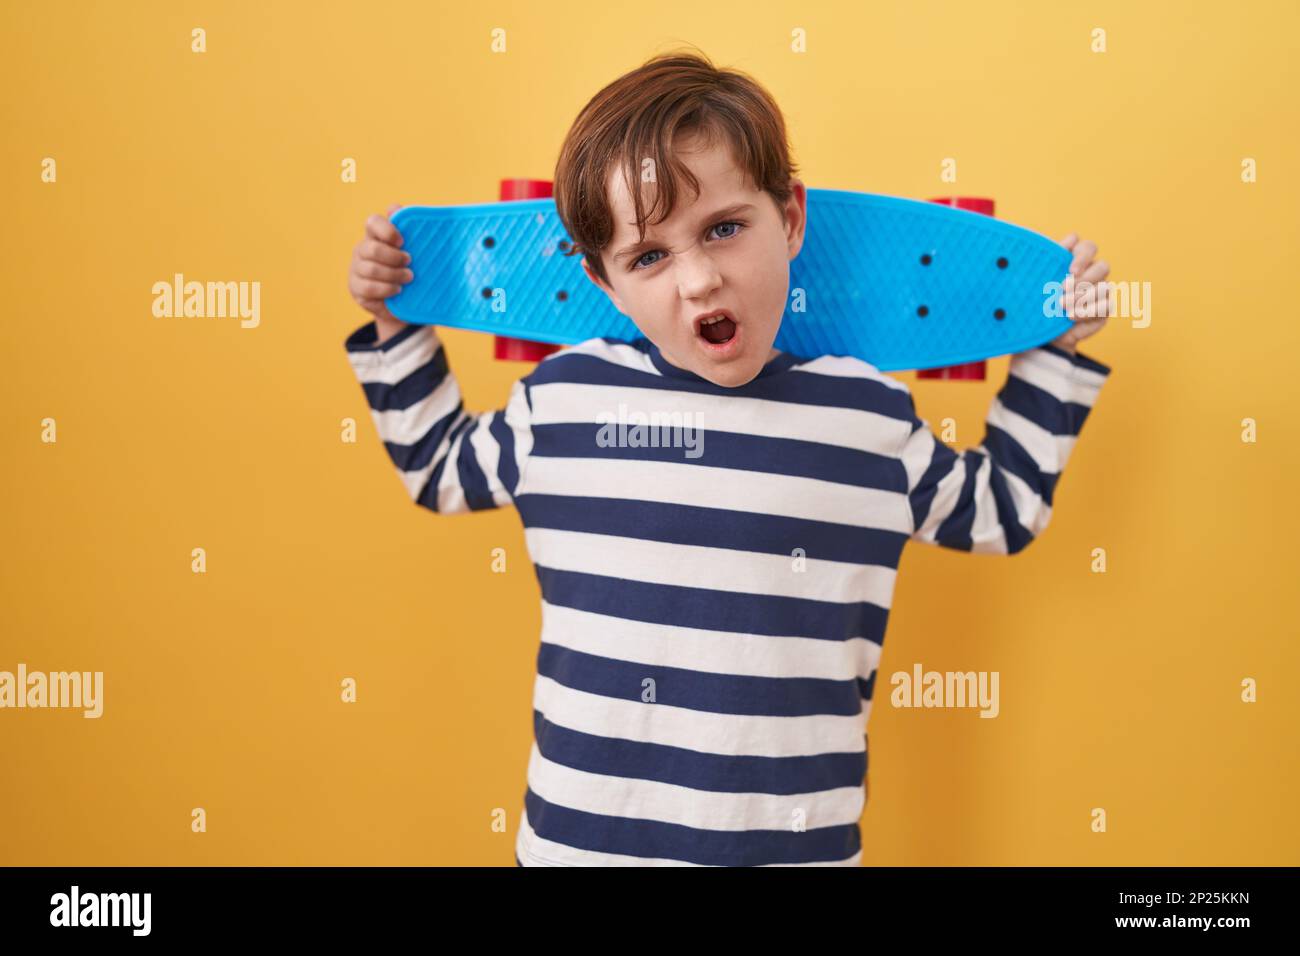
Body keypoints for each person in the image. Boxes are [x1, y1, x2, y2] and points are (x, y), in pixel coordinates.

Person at [342, 50, 1112, 866]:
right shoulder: (561, 403)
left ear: (791, 218)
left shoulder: (867, 417)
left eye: (724, 229)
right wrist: (395, 322)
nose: (701, 280)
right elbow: (435, 464)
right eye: (649, 257)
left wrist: (1056, 346)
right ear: (604, 283)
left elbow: (1003, 508)